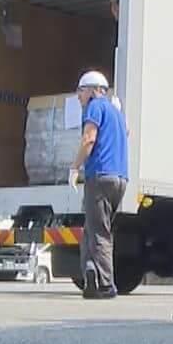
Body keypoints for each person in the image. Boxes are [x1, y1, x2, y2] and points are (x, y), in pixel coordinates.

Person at [70, 70, 129, 300]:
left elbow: (89, 139)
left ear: (94, 90)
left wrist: (75, 167)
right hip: (120, 178)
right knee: (92, 228)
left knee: (99, 232)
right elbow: (126, 134)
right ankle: (90, 275)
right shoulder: (116, 112)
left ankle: (106, 285)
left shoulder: (95, 107)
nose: (79, 96)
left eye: (81, 91)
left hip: (101, 176)